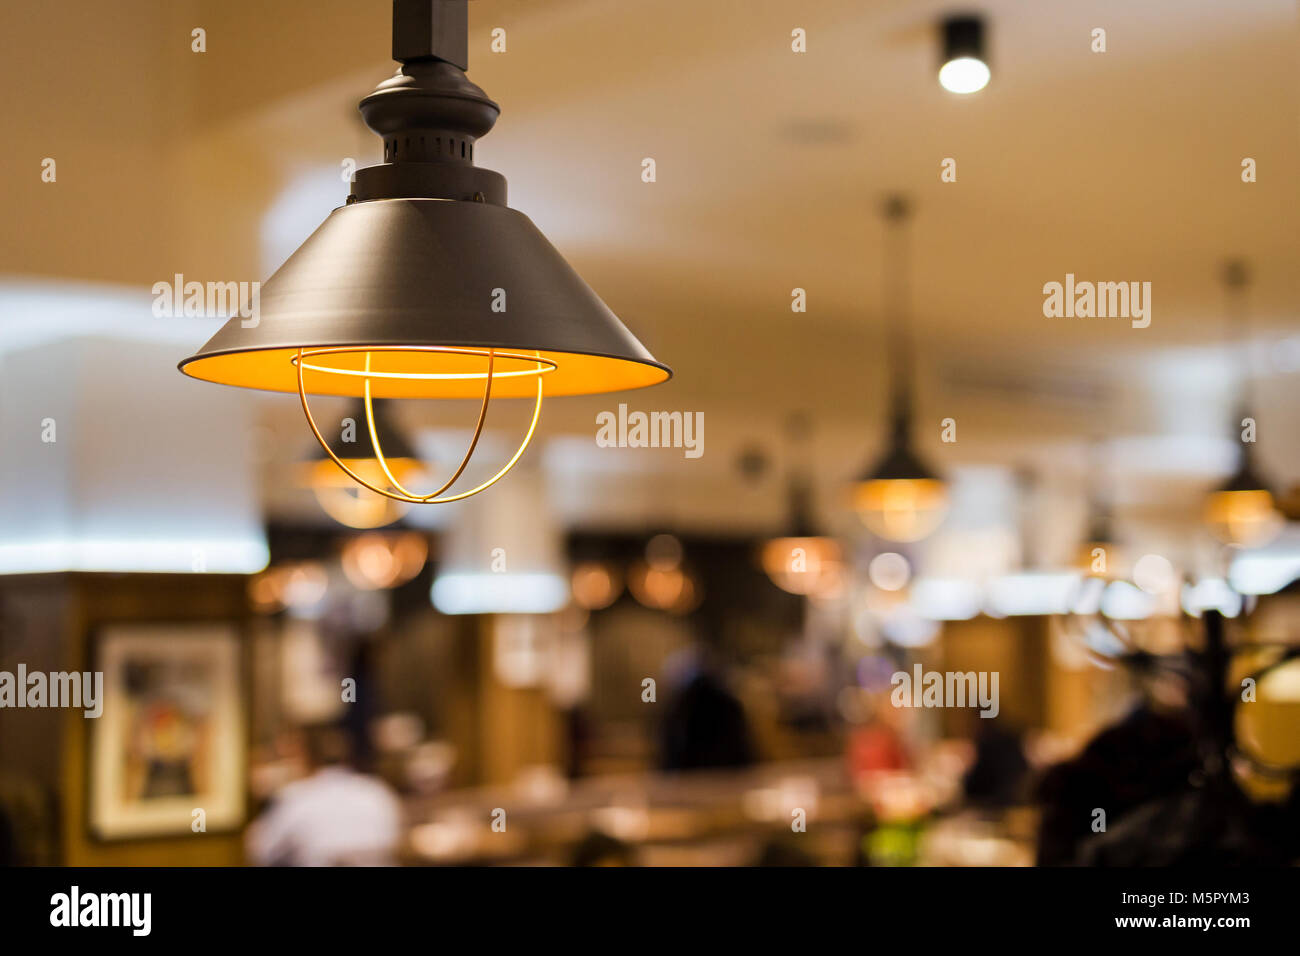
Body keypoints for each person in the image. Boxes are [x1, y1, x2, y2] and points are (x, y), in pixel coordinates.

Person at [245, 723, 403, 866]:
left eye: (288, 757)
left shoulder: (297, 796)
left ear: (304, 757)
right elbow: (394, 839)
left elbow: (259, 852)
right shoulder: (376, 789)